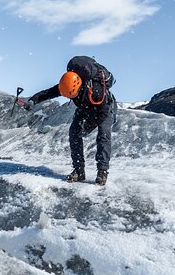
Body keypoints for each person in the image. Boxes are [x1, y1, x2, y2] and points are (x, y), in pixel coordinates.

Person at [25, 56, 117, 186]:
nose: (70, 98)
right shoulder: (67, 84)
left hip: (104, 108)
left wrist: (87, 128)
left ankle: (102, 171)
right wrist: (33, 100)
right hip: (86, 107)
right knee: (74, 132)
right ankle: (79, 171)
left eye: (71, 95)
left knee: (103, 135)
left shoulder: (96, 89)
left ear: (78, 86)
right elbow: (49, 92)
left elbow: (102, 115)